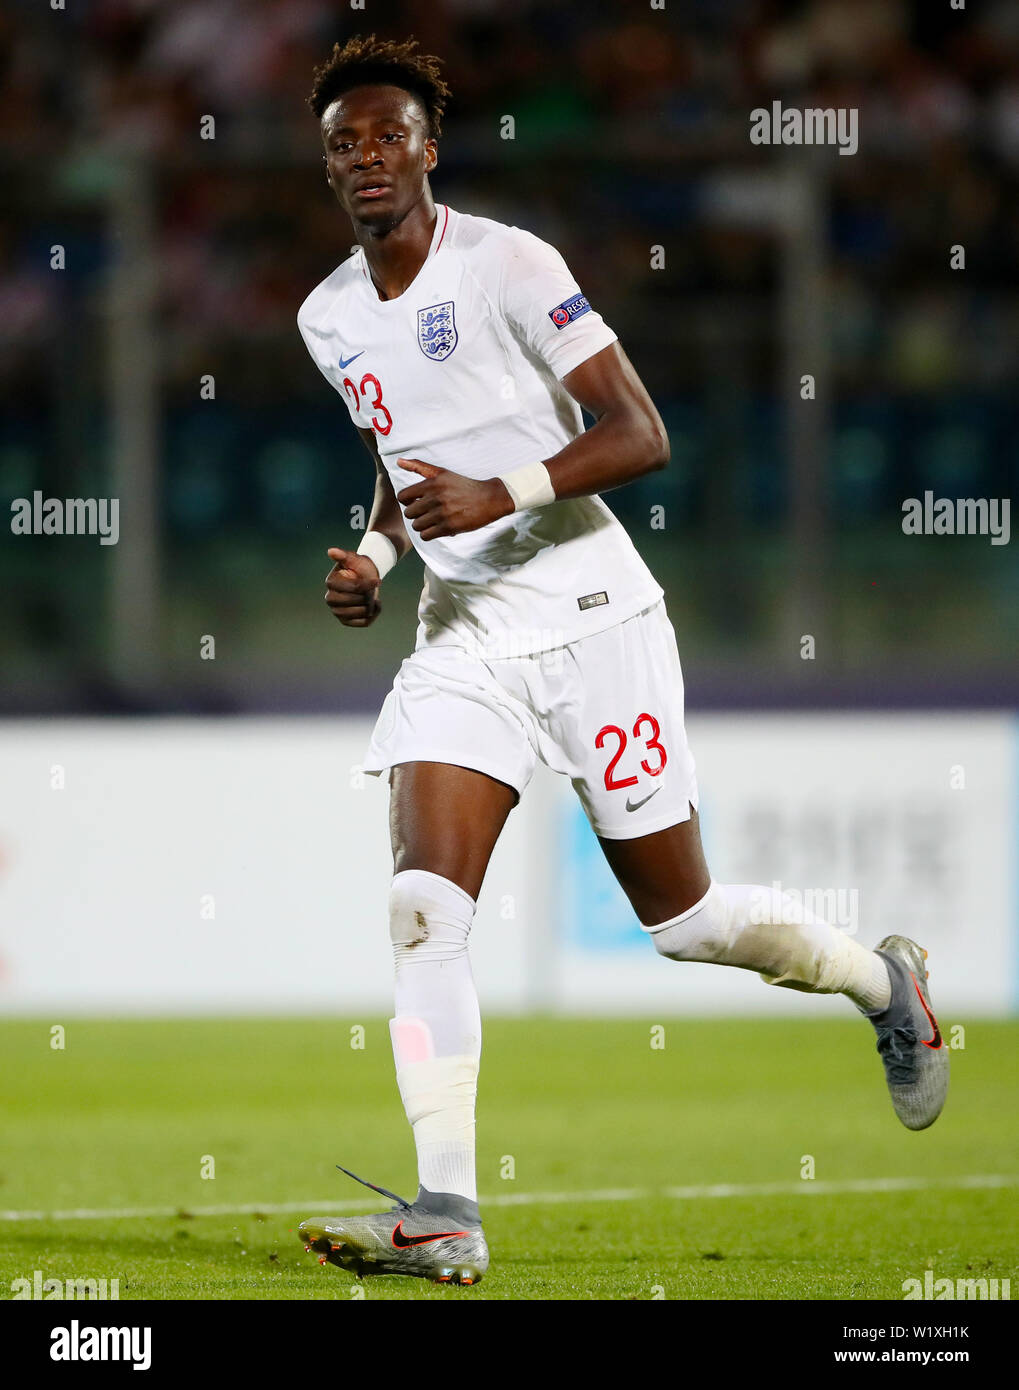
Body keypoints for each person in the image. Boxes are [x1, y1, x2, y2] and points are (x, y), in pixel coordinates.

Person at [294, 34, 948, 1288]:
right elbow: (398, 450)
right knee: (422, 908)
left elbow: (639, 431)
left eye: (388, 136)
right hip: (464, 634)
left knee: (686, 924)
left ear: (430, 149)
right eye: (343, 143)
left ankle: (884, 982)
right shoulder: (327, 315)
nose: (366, 157)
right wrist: (377, 557)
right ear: (326, 170)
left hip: (593, 617)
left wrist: (499, 489)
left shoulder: (508, 263)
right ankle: (446, 1210)